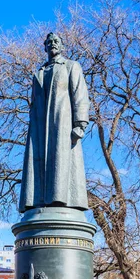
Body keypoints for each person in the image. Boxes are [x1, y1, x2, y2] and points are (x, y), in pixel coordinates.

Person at [19, 32, 90, 212]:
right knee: (37, 164)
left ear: (62, 46)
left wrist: (80, 124)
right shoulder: (39, 73)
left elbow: (80, 95)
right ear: (45, 47)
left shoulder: (71, 66)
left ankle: (59, 199)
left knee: (62, 162)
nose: (53, 44)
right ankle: (37, 200)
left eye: (56, 41)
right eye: (49, 42)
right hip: (39, 128)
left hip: (62, 124)